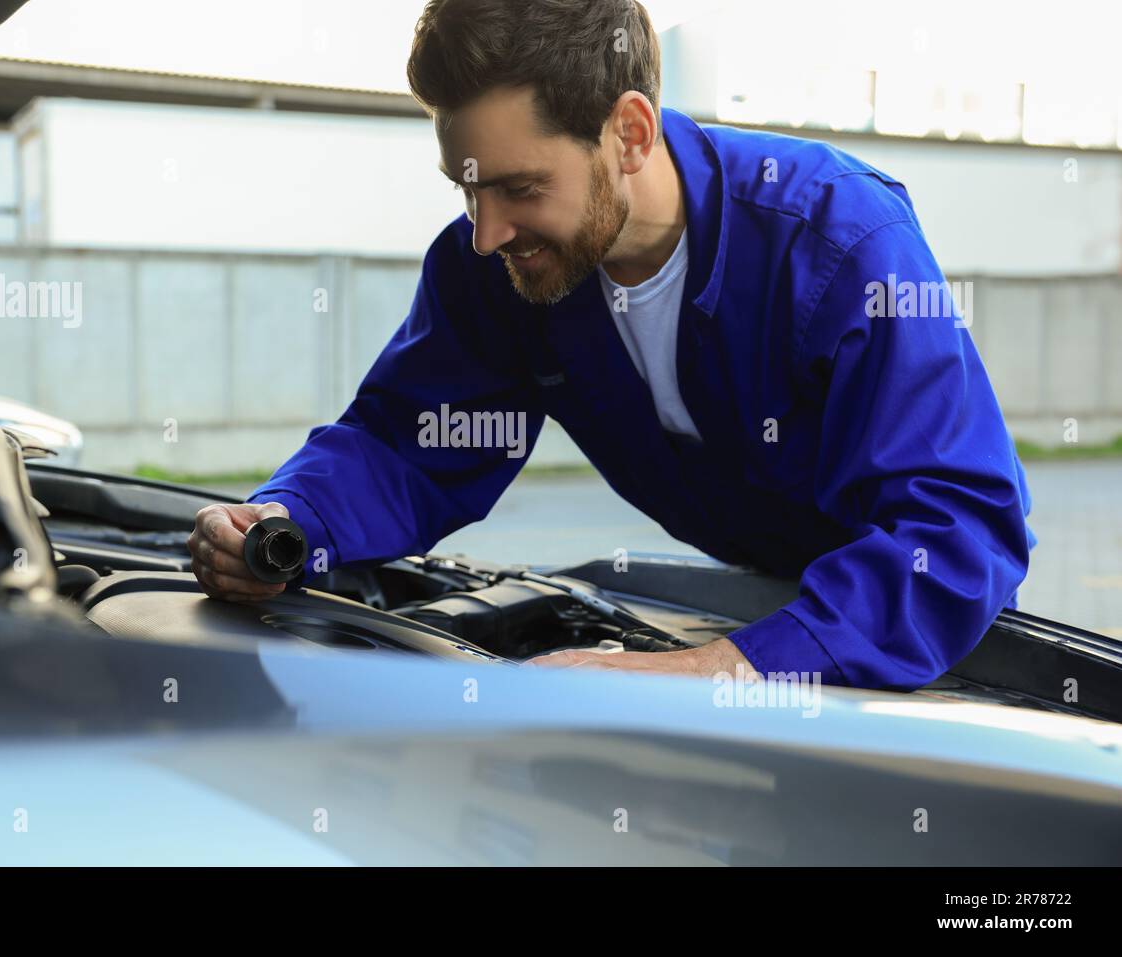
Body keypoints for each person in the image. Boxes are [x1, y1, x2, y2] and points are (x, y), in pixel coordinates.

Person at [188, 0, 1033, 689]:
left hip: (902, 647)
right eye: (468, 189)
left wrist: (705, 672)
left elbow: (959, 529)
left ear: (628, 133)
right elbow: (408, 446)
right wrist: (287, 521)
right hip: (758, 612)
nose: (486, 235)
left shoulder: (839, 242)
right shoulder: (498, 267)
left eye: (520, 188)